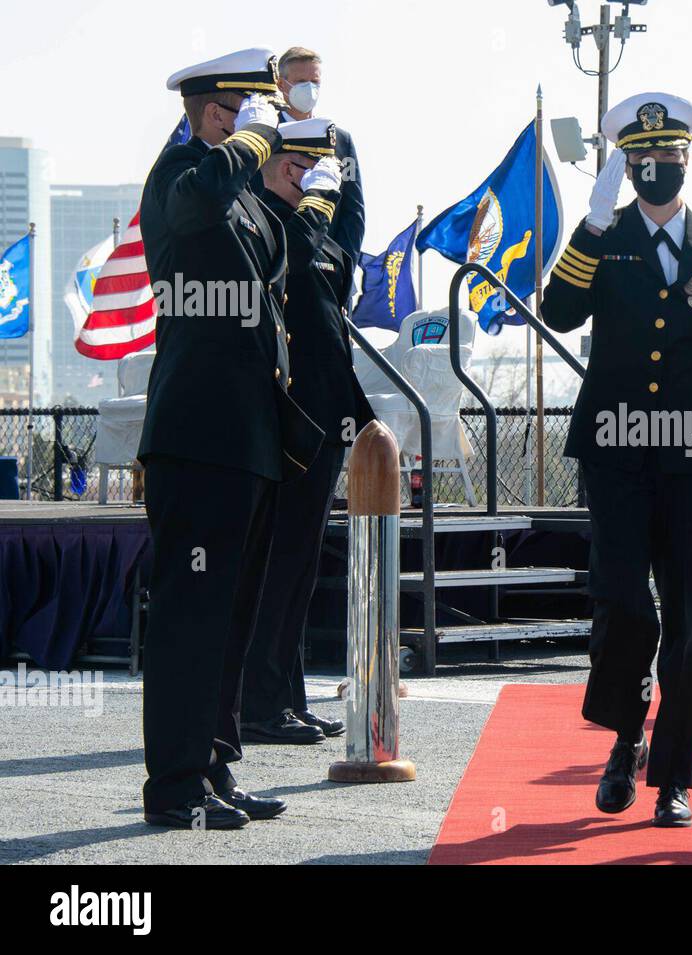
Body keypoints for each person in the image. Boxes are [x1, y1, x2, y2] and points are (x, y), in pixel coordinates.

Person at [541, 92, 692, 828]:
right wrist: (590, 225)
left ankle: (674, 778)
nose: (654, 168)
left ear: (686, 160)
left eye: (666, 157)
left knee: (688, 620)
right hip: (614, 453)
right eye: (640, 160)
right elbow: (559, 310)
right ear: (627, 167)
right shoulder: (604, 241)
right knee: (623, 603)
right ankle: (622, 736)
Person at [137, 48, 323, 830]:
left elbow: (292, 267)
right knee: (192, 615)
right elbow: (192, 208)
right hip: (198, 433)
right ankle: (174, 785)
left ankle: (213, 765)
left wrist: (314, 196)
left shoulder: (242, 191)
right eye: (232, 113)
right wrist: (242, 147)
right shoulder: (181, 173)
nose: (247, 127)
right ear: (201, 109)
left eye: (253, 116)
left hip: (248, 434)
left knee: (233, 614)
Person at [241, 119, 376, 744]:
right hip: (288, 419)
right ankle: (260, 701)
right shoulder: (274, 226)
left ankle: (286, 695)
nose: (313, 179)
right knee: (278, 563)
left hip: (324, 418)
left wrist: (341, 189)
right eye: (299, 167)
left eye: (323, 170)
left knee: (297, 567)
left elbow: (339, 272)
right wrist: (317, 203)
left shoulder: (323, 234)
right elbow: (289, 263)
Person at [276, 47, 365, 272]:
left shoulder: (340, 141)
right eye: (300, 81)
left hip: (326, 271)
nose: (309, 89)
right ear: (281, 84)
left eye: (314, 82)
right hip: (276, 263)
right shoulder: (266, 134)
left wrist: (342, 272)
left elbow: (352, 213)